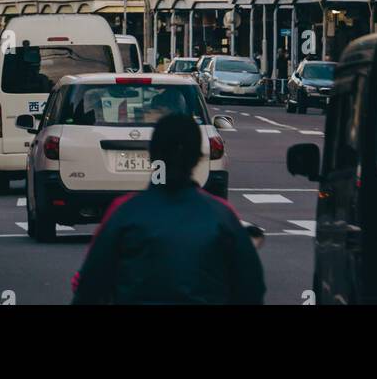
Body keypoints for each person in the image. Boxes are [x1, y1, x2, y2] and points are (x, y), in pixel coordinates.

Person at [71, 114, 265, 306]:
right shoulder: (222, 216)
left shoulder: (123, 212)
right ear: (197, 158)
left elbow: (90, 285)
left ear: (152, 155)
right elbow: (251, 289)